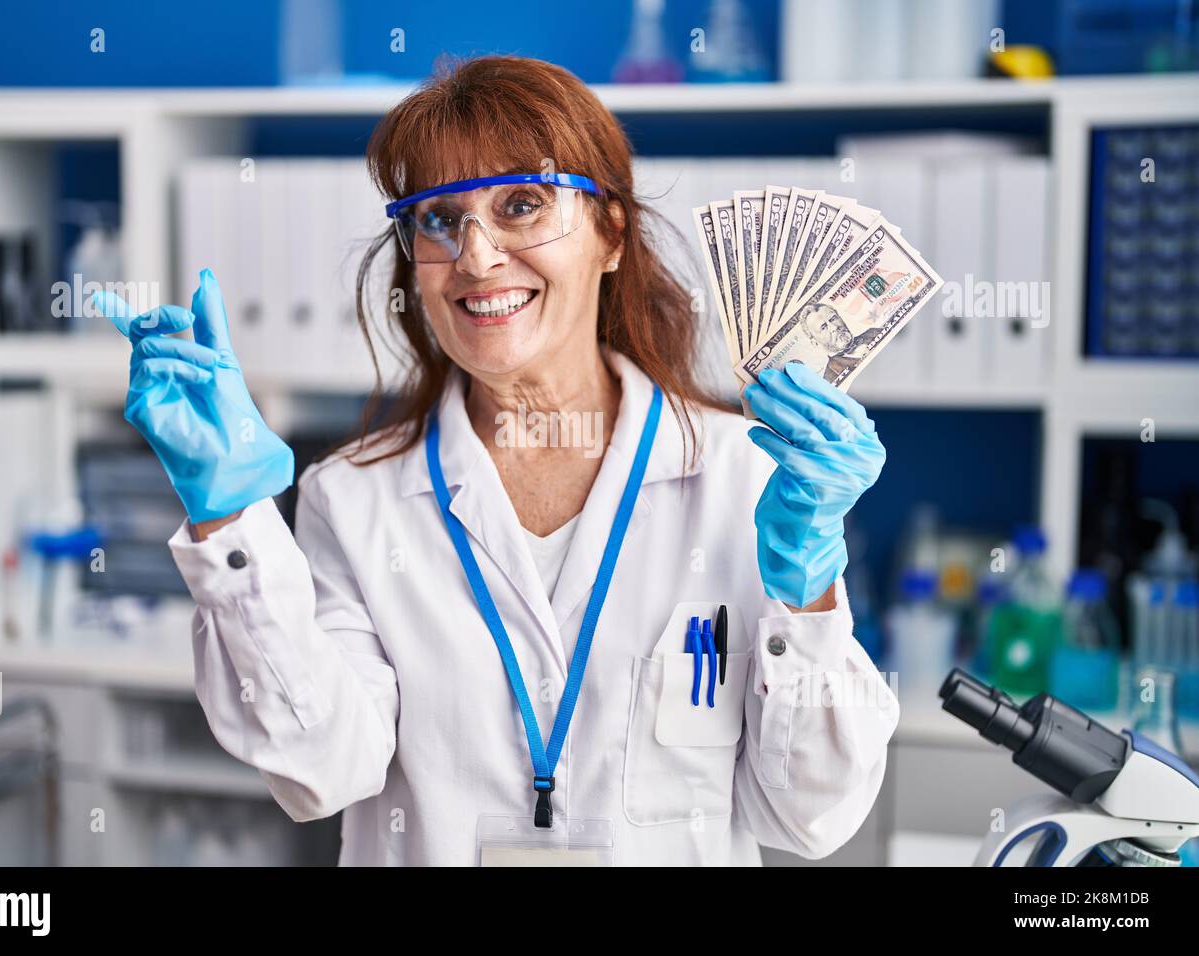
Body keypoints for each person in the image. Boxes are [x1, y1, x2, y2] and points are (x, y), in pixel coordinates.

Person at [98, 55, 898, 866]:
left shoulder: (745, 478)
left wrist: (807, 598)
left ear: (611, 233)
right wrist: (226, 515)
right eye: (439, 218)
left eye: (522, 205)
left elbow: (809, 815)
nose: (476, 257)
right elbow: (321, 768)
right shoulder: (356, 498)